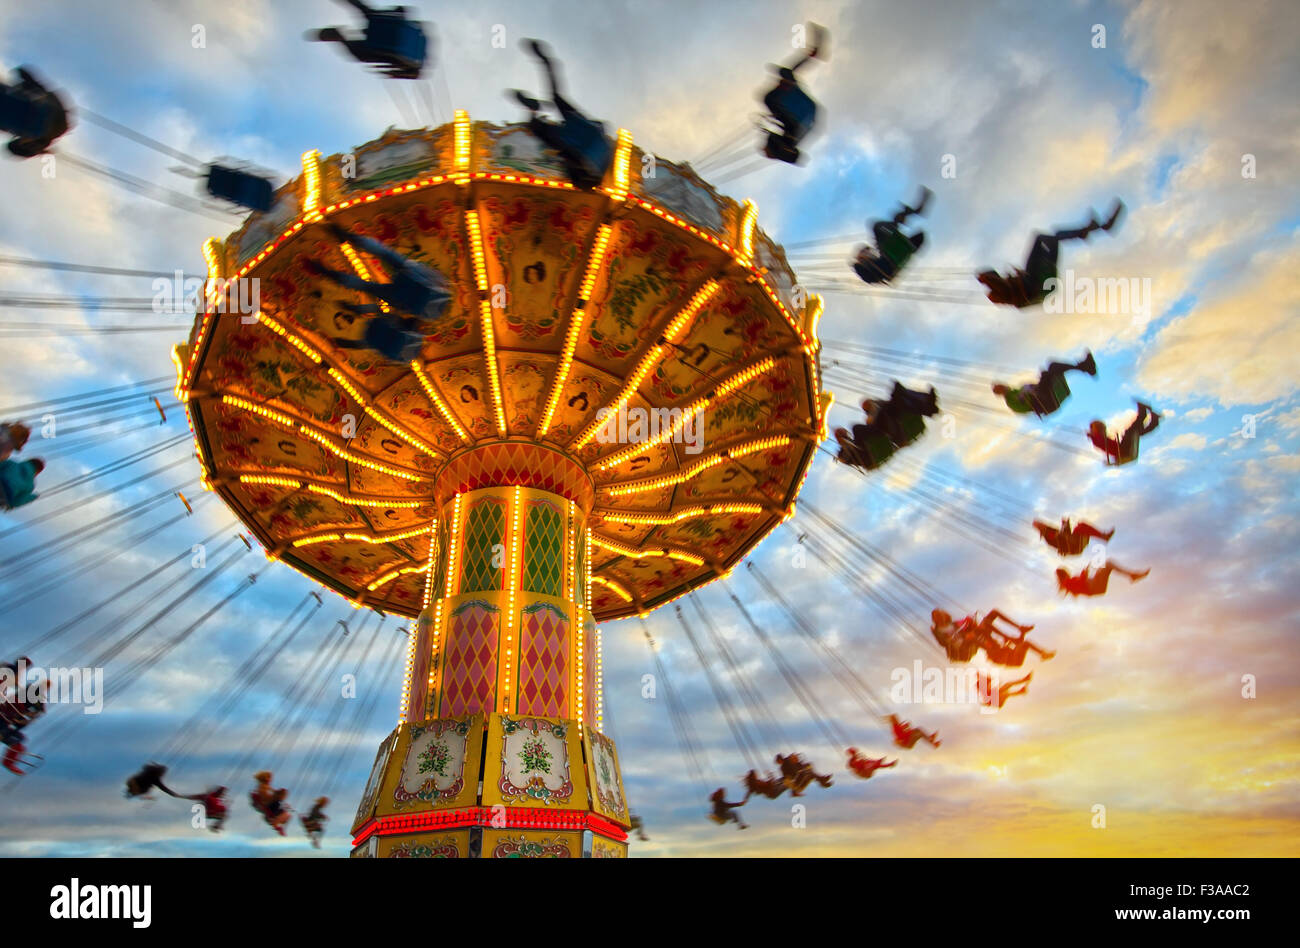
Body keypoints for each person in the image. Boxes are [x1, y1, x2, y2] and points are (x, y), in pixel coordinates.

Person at [305, 222, 453, 362]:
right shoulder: (406, 348)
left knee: (385, 253)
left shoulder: (437, 305)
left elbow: (430, 277)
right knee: (366, 286)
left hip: (410, 277)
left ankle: (346, 236)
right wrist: (354, 311)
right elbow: (384, 321)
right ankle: (326, 272)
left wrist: (415, 267)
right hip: (399, 298)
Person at [977, 201, 1124, 308]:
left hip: (1034, 278)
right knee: (1052, 237)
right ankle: (1097, 228)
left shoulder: (1004, 289)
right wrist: (983, 278)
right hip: (1039, 283)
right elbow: (996, 286)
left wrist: (984, 278)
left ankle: (1094, 228)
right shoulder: (1000, 294)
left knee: (1045, 237)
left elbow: (997, 283)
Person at [508, 39, 613, 190]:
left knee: (551, 107)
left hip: (582, 141)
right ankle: (535, 103)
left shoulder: (565, 134)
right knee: (551, 107)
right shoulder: (572, 142)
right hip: (584, 141)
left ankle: (535, 104)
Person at [758, 23, 828, 164]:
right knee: (782, 78)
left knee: (783, 76)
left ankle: (813, 53)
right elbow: (789, 134)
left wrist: (774, 118)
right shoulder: (790, 141)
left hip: (797, 110)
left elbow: (786, 130)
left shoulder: (790, 139)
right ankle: (813, 53)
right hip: (799, 110)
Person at [308, 0, 429, 79]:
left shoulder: (412, 63)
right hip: (392, 39)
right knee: (368, 14)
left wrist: (392, 73)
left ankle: (338, 37)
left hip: (393, 46)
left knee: (360, 50)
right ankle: (338, 37)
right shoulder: (413, 64)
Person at [852, 188, 933, 285]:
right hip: (889, 259)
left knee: (886, 224)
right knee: (877, 226)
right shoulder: (898, 248)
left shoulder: (902, 253)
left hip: (891, 260)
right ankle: (910, 213)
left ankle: (908, 214)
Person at [992, 352, 1097, 418]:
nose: (1003, 386)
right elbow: (1024, 408)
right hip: (1044, 401)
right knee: (1051, 369)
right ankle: (1085, 367)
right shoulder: (1011, 402)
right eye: (1000, 388)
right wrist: (1026, 395)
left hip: (1042, 394)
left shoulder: (1017, 390)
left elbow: (1031, 388)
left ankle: (1085, 367)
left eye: (1001, 384)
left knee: (1053, 366)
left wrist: (1033, 386)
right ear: (1000, 393)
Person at [0, 66, 70, 158]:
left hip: (21, 104)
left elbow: (44, 95)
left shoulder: (44, 126)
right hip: (20, 107)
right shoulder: (36, 131)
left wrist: (30, 81)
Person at [1088, 402, 1160, 465]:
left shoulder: (1099, 437)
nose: (1104, 430)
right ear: (1098, 429)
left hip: (1123, 448)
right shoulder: (1097, 438)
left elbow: (1104, 441)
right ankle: (1144, 414)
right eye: (1102, 428)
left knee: (1134, 432)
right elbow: (1100, 441)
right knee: (1132, 431)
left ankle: (1150, 418)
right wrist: (1092, 435)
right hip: (1123, 451)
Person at [0, 676, 46, 775]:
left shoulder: (21, 707)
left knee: (19, 742)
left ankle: (8, 762)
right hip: (3, 724)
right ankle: (8, 762)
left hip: (6, 726)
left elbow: (17, 724)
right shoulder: (18, 703)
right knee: (18, 741)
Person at [1055, 562, 1149, 598]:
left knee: (1106, 566)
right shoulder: (1067, 582)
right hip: (1095, 587)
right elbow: (1081, 582)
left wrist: (1085, 572)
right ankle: (1132, 575)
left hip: (1095, 588)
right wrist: (1084, 572)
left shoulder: (1068, 583)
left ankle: (1132, 575)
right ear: (1064, 574)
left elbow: (1079, 584)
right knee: (1108, 564)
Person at [1032, 518, 1113, 556]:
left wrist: (1065, 525)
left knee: (1081, 525)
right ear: (1039, 527)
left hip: (1073, 544)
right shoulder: (1047, 535)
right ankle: (1103, 537)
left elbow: (1065, 535)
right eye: (1040, 523)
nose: (1042, 523)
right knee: (1080, 527)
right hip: (1074, 546)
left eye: (1041, 522)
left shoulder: (1049, 530)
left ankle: (1103, 536)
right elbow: (1061, 538)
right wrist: (1065, 526)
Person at [250, 770, 293, 835]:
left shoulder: (264, 786)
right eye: (269, 777)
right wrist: (277, 796)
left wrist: (277, 794)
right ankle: (276, 824)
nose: (270, 779)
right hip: (270, 806)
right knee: (287, 815)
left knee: (287, 815)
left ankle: (276, 825)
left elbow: (273, 792)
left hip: (271, 806)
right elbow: (266, 798)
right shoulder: (263, 788)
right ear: (265, 778)